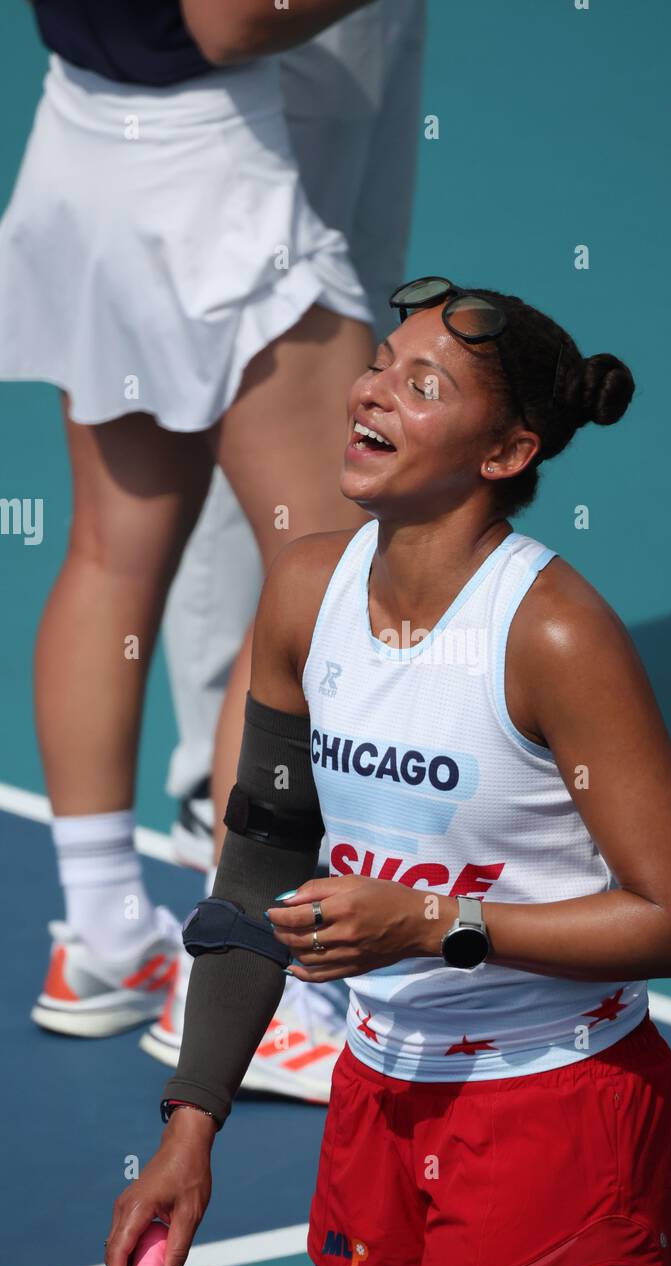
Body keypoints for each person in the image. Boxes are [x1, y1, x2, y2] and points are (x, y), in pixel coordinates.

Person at [105, 276, 671, 1266]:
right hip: (378, 1096)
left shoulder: (552, 634)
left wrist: (436, 925)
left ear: (505, 453)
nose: (370, 393)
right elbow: (259, 864)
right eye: (380, 365)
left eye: (421, 383)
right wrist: (191, 1119)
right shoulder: (305, 591)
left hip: (556, 1108)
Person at [0, 0, 381, 1036]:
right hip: (207, 182)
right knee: (323, 573)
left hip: (81, 142)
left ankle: (106, 940)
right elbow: (235, 19)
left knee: (110, 553)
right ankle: (254, 997)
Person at [147, 0, 427, 1103]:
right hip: (278, 36)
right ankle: (238, 931)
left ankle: (220, 849)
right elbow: (227, 26)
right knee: (308, 463)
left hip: (354, 26)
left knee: (325, 366)